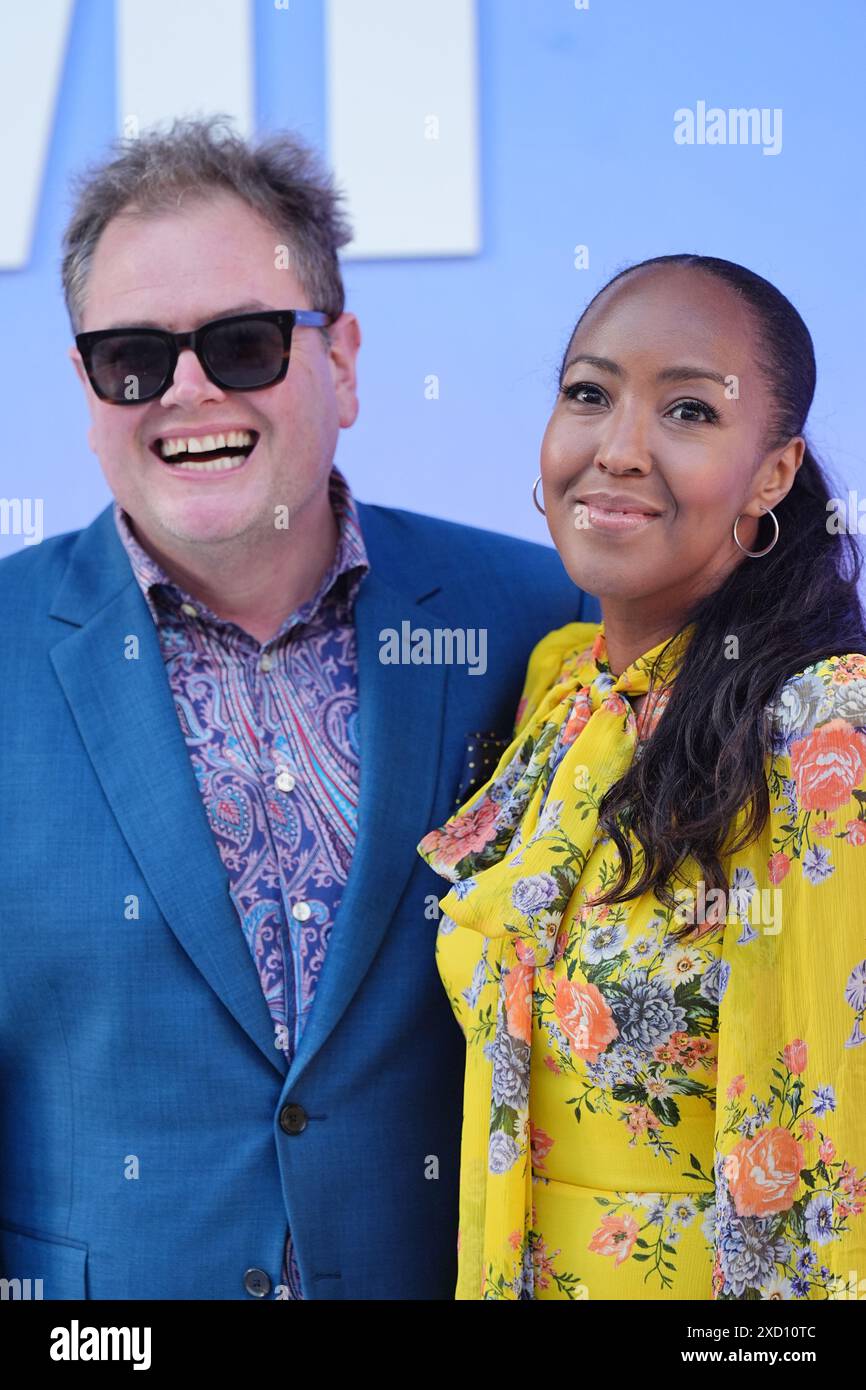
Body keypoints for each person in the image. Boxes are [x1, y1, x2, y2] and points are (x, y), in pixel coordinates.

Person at [0, 118, 597, 1300]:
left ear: (346, 363)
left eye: (242, 342)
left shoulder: (545, 620)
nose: (184, 390)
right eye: (132, 358)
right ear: (86, 389)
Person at [418, 253, 866, 1300]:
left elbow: (838, 1152)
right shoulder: (557, 692)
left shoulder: (821, 726)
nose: (616, 450)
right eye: (588, 394)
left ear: (771, 473)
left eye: (687, 412)